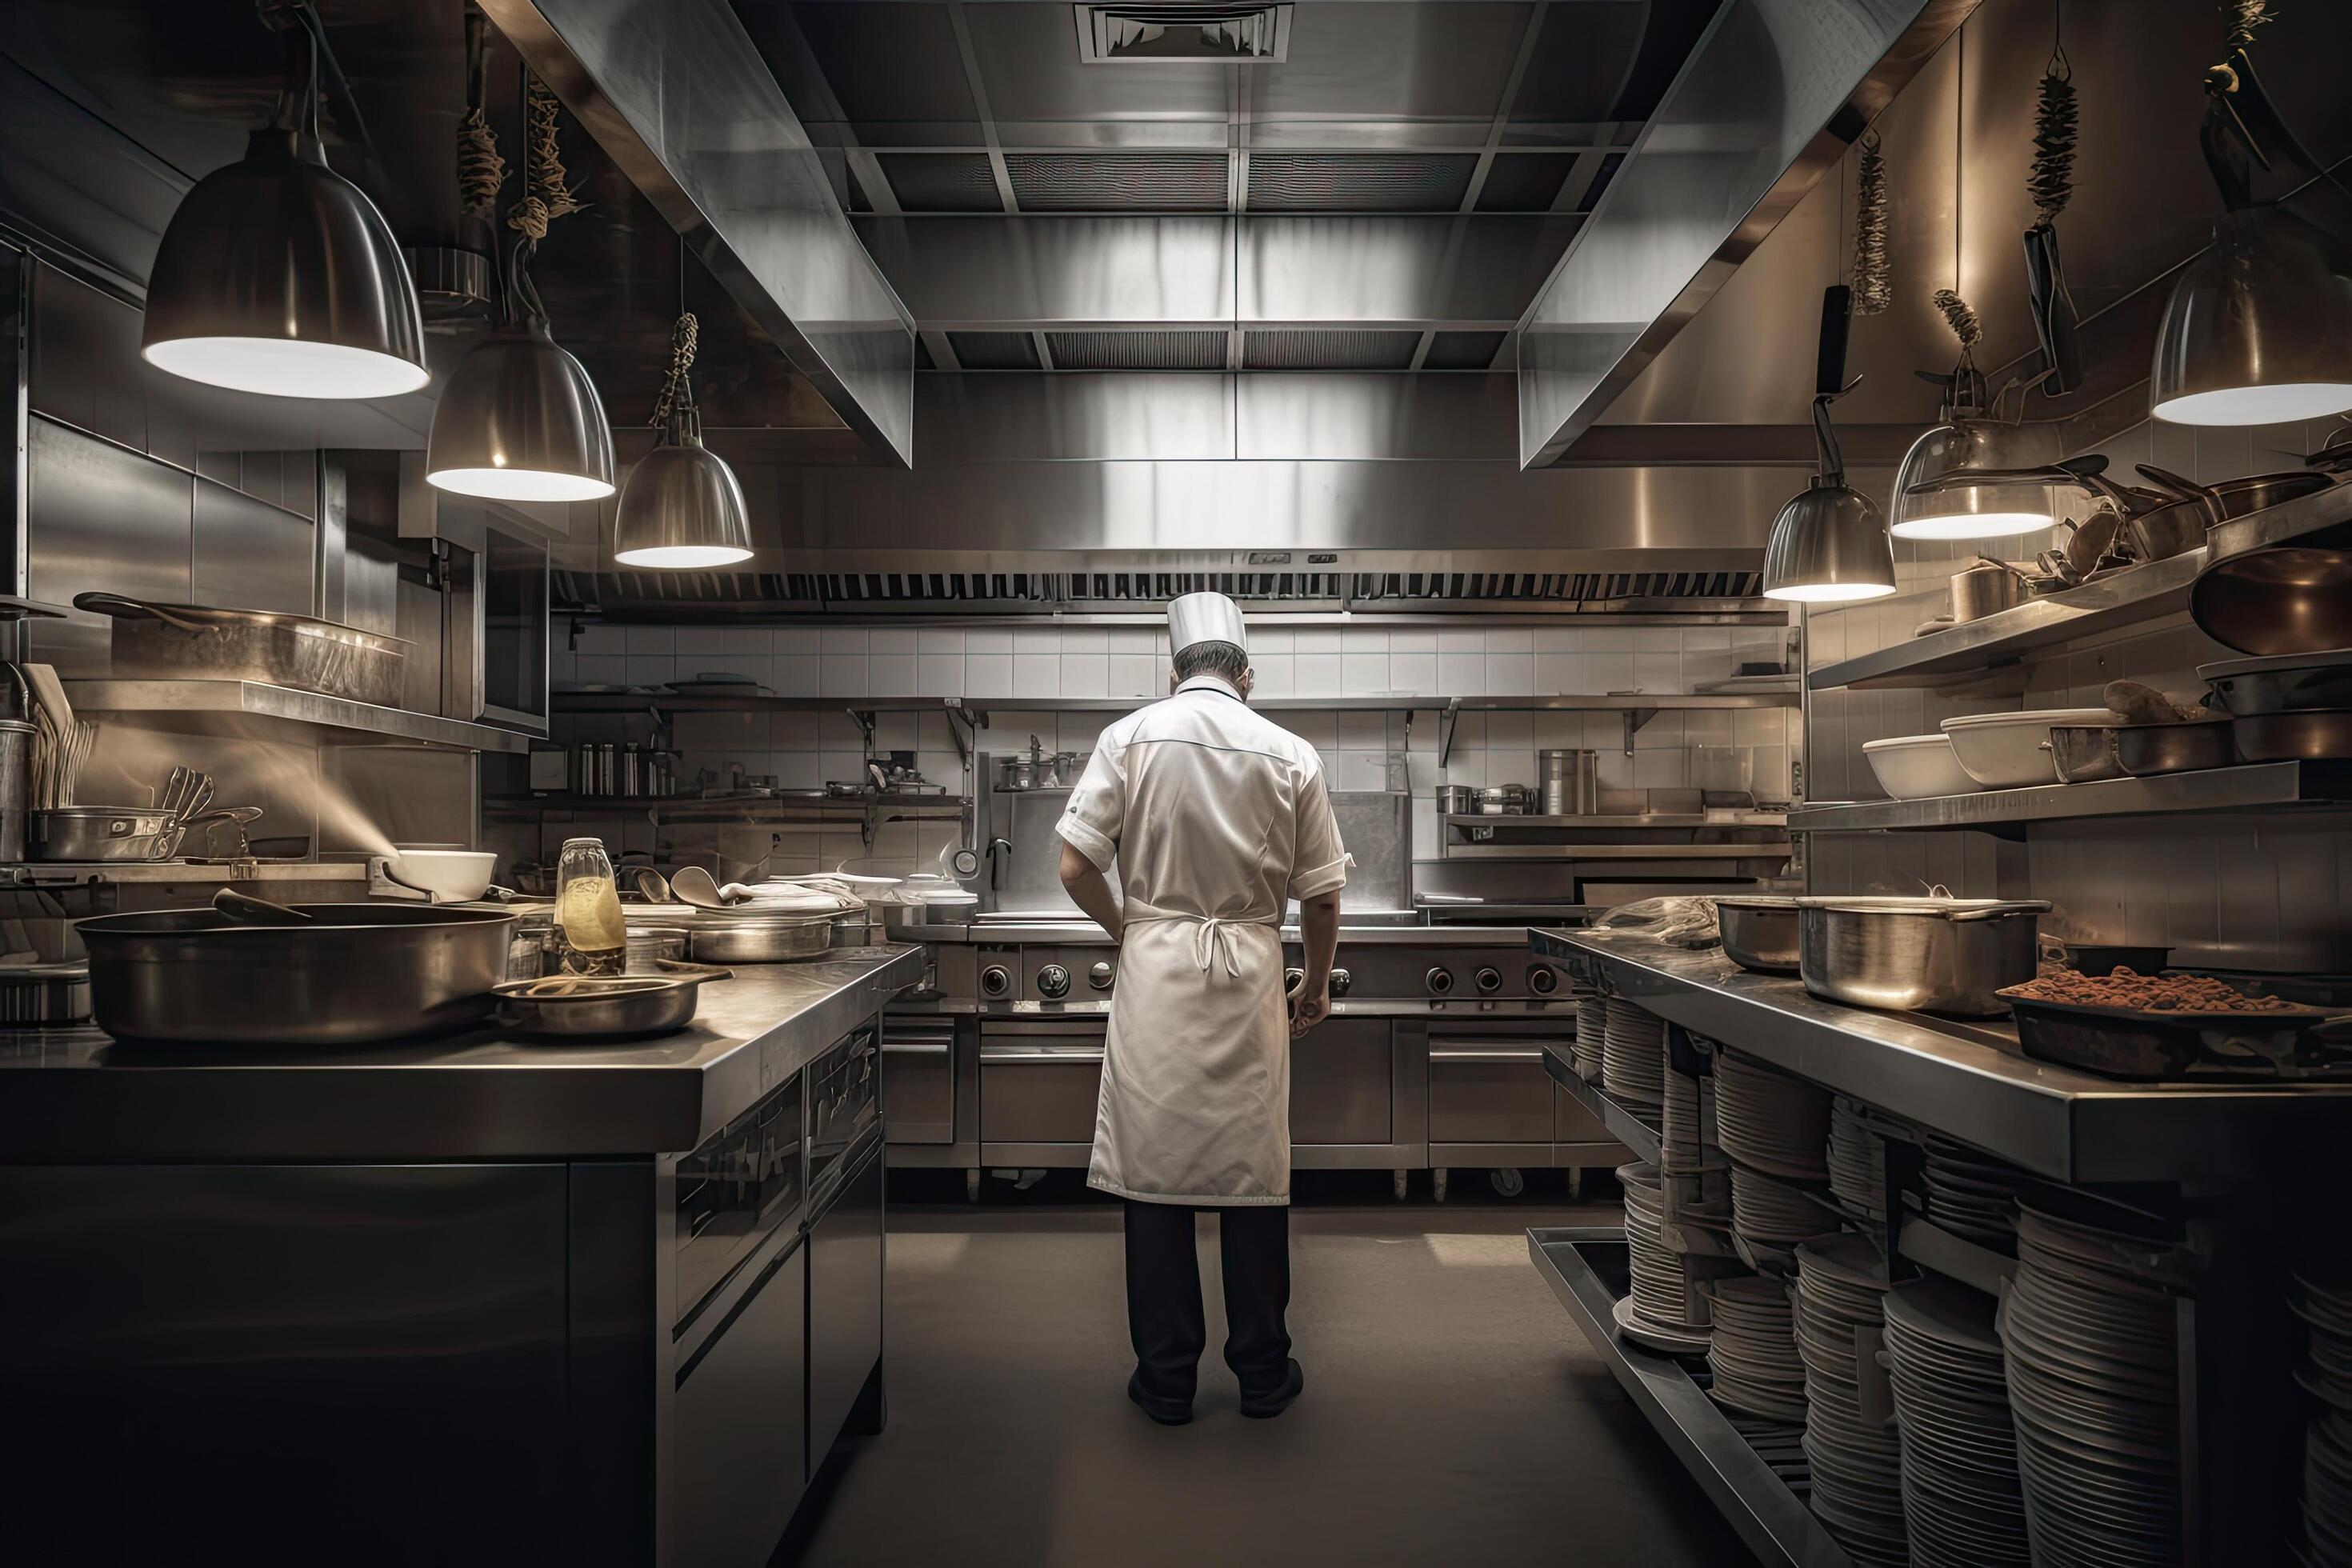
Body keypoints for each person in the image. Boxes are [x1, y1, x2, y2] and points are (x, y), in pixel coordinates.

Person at [1054, 592, 1350, 1426]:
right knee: (1253, 1173)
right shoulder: (1289, 751)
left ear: (1173, 670)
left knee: (1155, 1175)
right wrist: (1316, 983)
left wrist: (1132, 930)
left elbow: (1076, 865)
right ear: (1246, 675)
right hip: (1250, 967)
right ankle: (1262, 1373)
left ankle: (1166, 1380)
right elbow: (1323, 897)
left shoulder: (1129, 736)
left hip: (1157, 971)